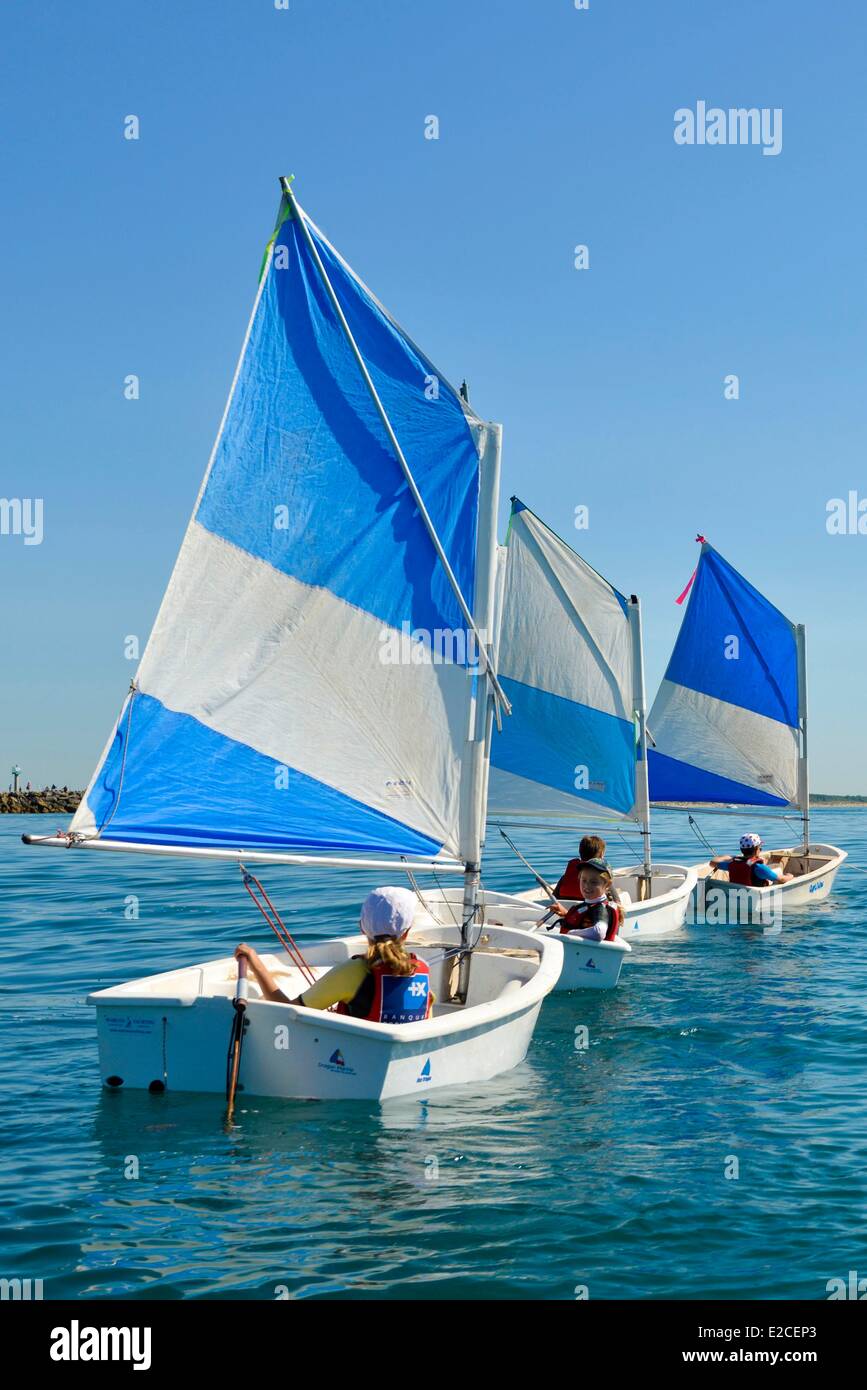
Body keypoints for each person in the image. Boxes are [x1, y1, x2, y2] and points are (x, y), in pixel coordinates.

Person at [234, 886, 434, 1023]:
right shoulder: (422, 971)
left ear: (362, 928)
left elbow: (288, 1011)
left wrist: (254, 961)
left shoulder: (353, 972)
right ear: (407, 931)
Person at [545, 857, 621, 941]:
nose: (587, 886)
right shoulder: (591, 905)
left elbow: (599, 932)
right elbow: (586, 919)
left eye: (593, 882)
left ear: (607, 885)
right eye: (584, 880)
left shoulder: (600, 909)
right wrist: (566, 914)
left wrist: (570, 933)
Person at [710, 834, 793, 887]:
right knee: (778, 870)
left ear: (741, 849)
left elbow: (713, 862)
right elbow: (782, 880)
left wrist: (729, 857)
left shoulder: (732, 864)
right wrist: (790, 876)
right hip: (755, 895)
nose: (760, 849)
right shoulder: (759, 867)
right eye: (760, 847)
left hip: (738, 894)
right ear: (756, 849)